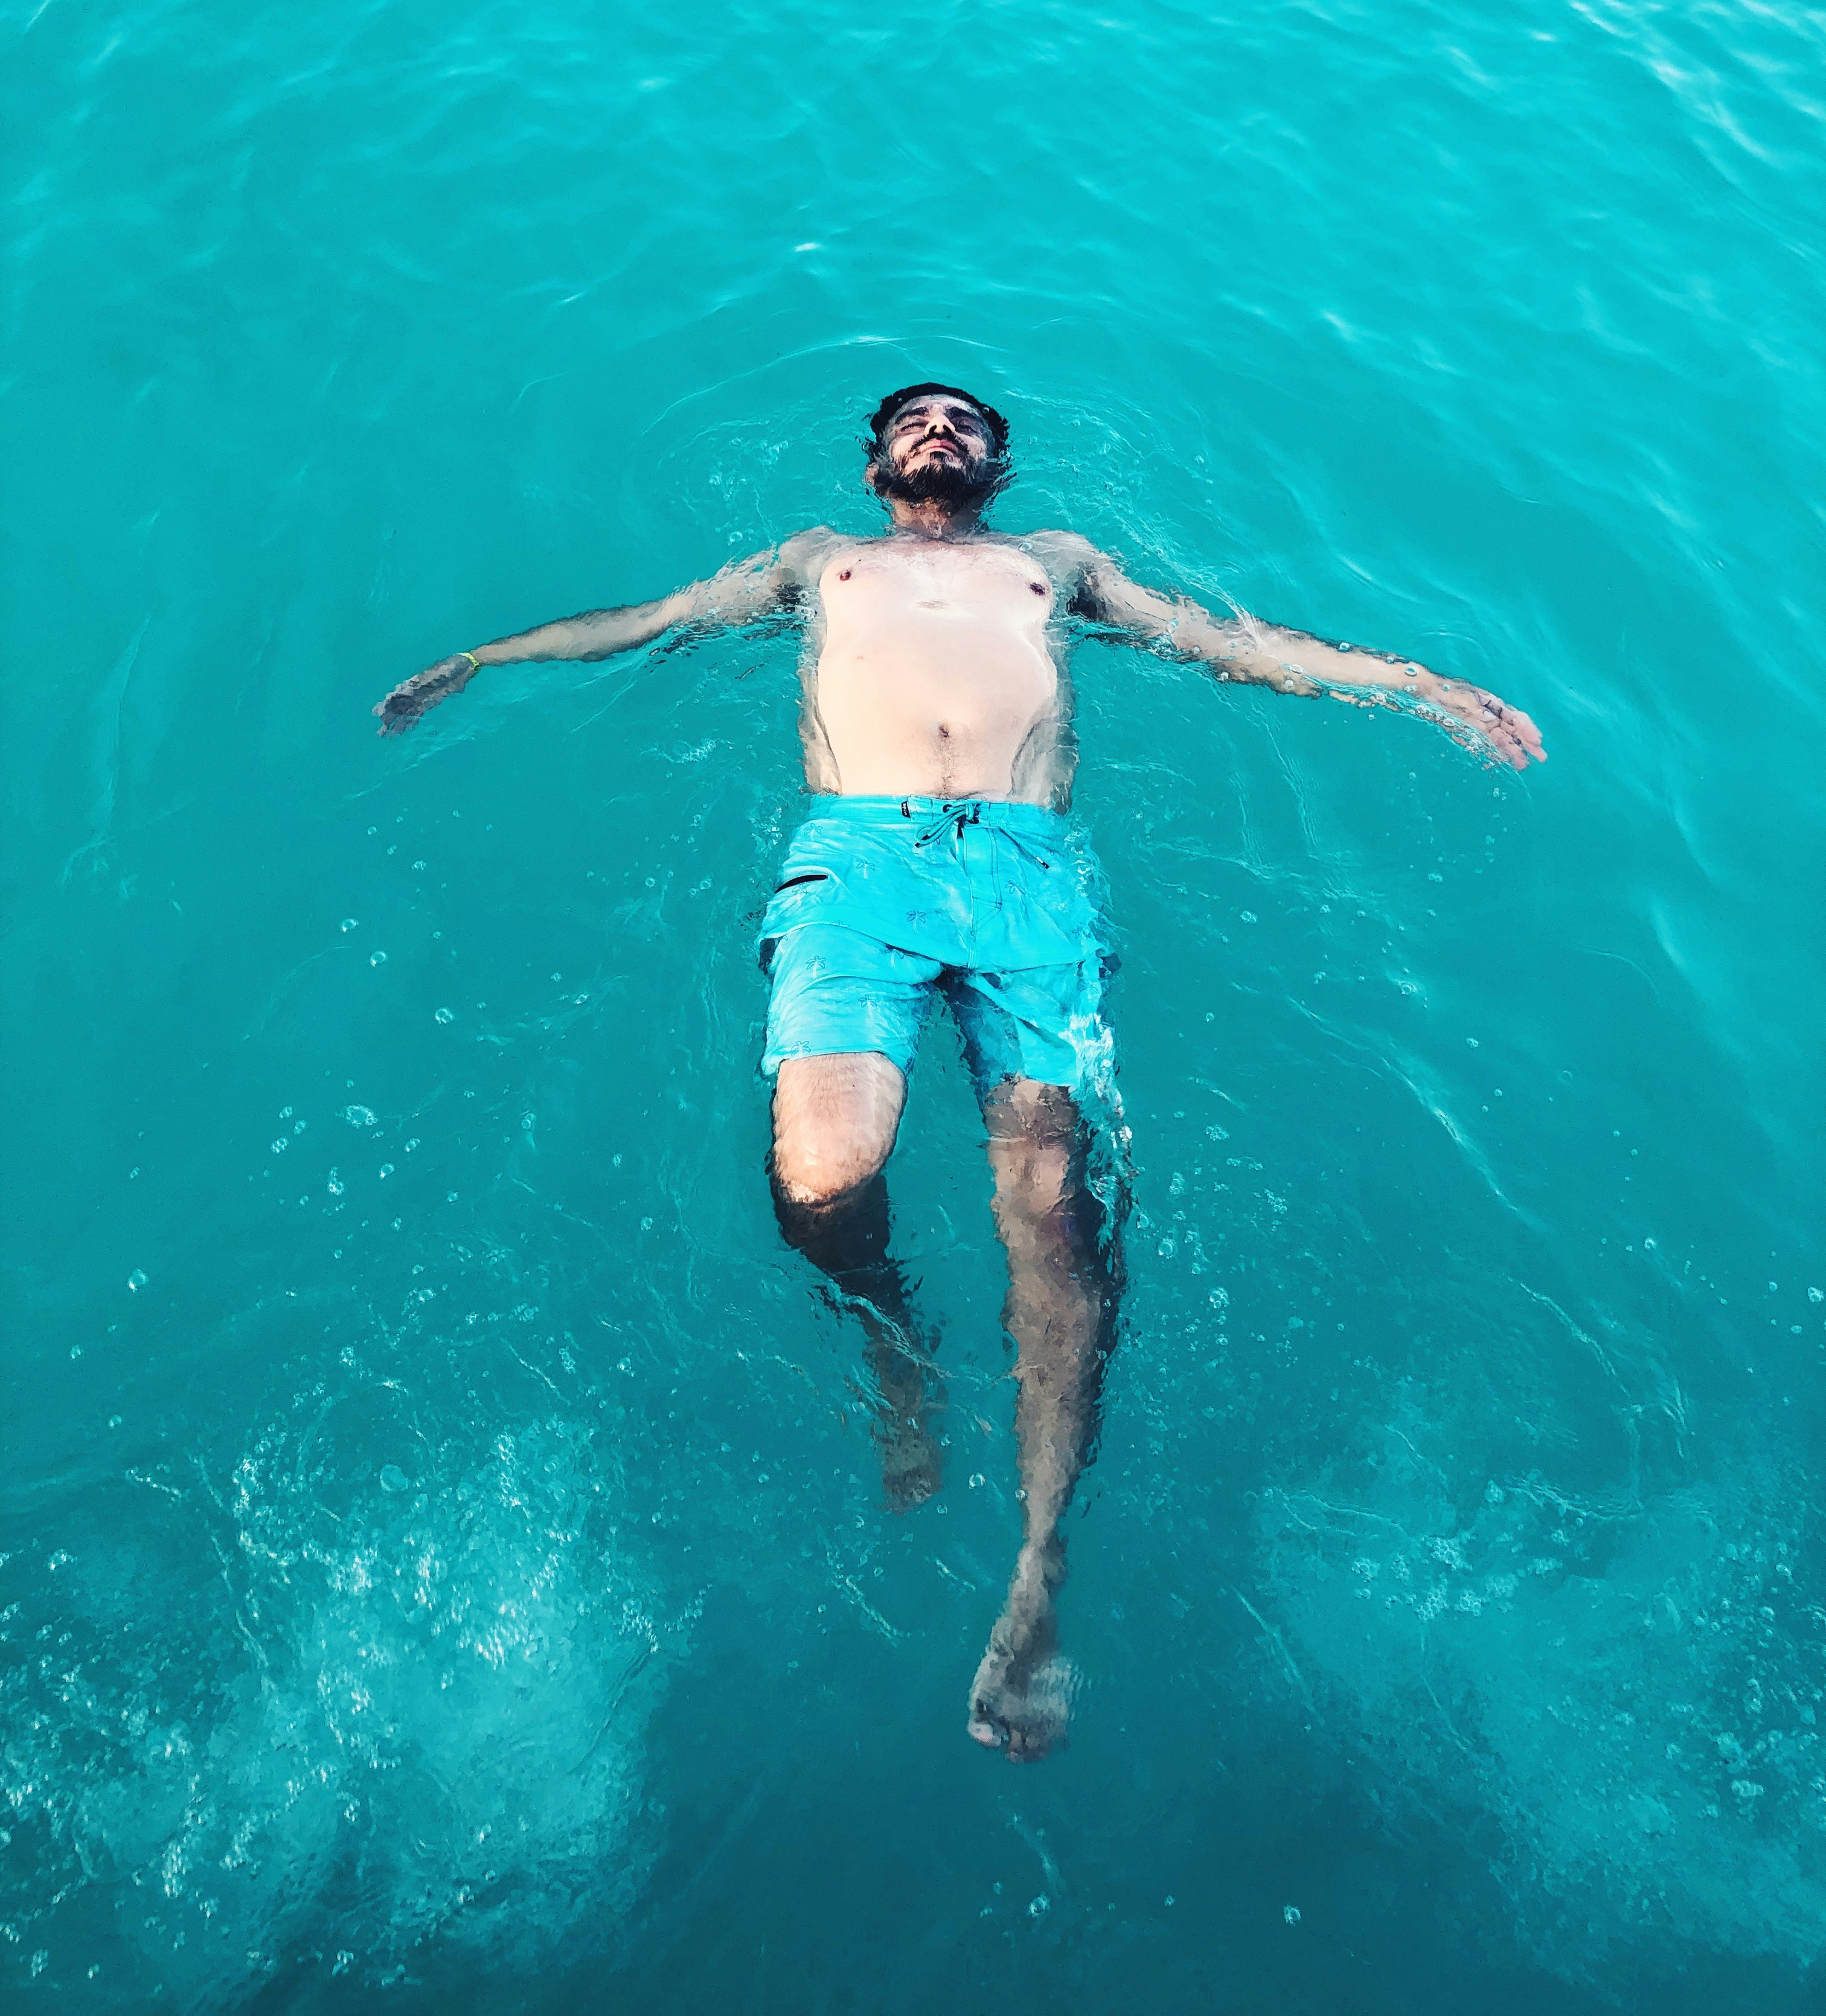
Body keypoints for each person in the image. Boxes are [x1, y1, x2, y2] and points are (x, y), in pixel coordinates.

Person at [374, 383, 1545, 1760]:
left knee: (1051, 1212)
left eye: (964, 420)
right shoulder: (819, 563)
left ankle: (1040, 1569)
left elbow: (1236, 645)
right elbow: (649, 621)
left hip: (1029, 877)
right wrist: (487, 658)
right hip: (853, 867)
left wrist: (1415, 686)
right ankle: (895, 1352)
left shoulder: (1060, 564)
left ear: (998, 463)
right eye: (913, 419)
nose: (939, 429)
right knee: (821, 1177)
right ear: (874, 462)